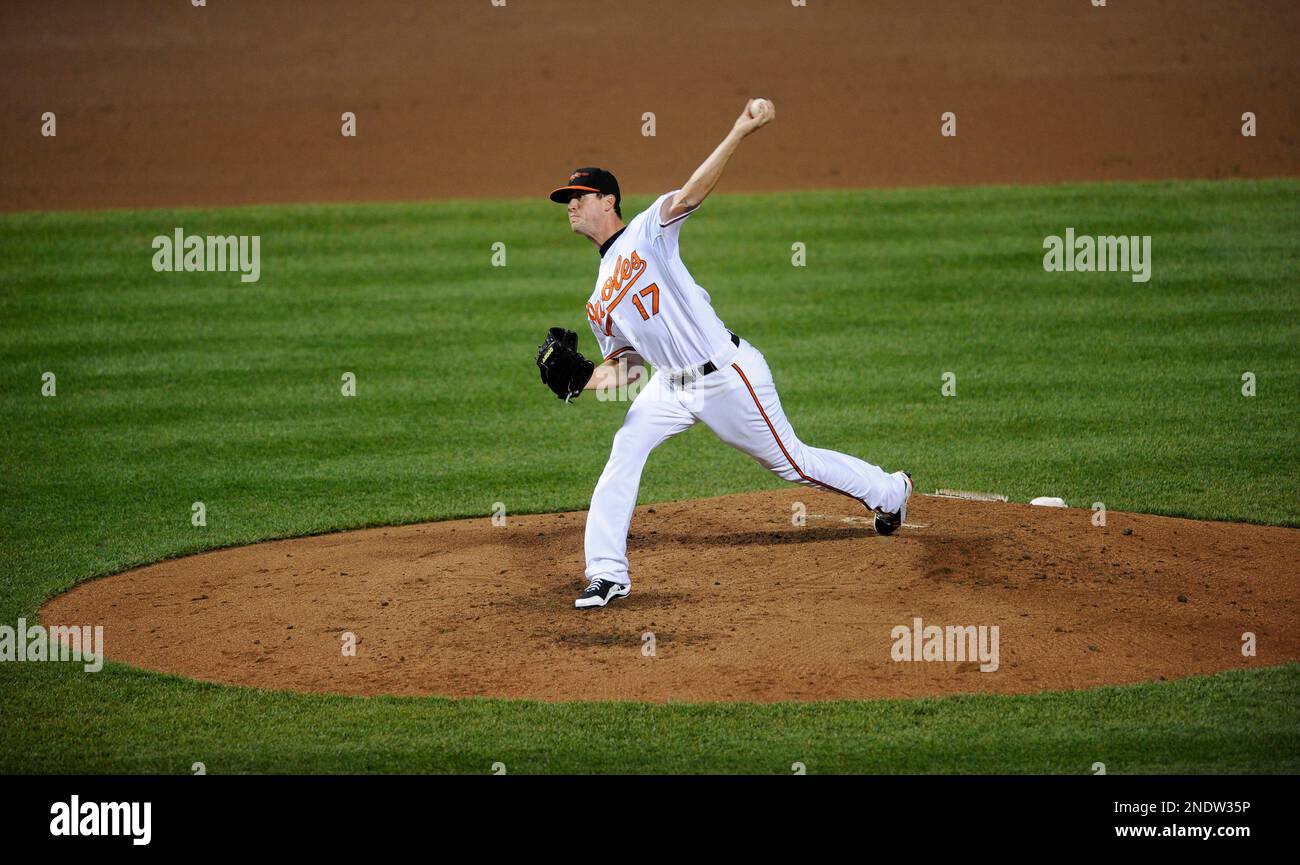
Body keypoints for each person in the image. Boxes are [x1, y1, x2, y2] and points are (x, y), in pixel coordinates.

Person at [547, 99, 912, 609]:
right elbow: (628, 367)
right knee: (624, 451)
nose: (570, 205)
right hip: (670, 386)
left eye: (580, 196)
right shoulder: (597, 300)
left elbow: (693, 190)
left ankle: (890, 492)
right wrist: (582, 382)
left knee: (793, 464)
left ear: (608, 202)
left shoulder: (649, 229)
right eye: (567, 199)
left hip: (727, 377)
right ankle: (607, 573)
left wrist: (740, 129)